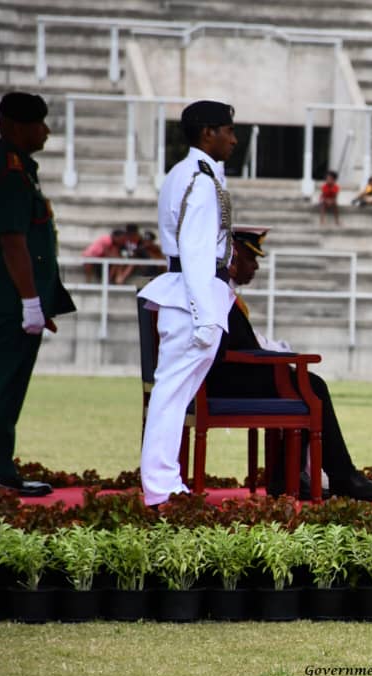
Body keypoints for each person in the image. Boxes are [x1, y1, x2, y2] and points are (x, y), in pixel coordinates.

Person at [206, 227, 372, 502]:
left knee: (303, 384)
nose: (255, 266)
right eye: (250, 258)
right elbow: (241, 351)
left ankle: (290, 477)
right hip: (227, 381)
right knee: (311, 387)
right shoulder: (219, 294)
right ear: (231, 260)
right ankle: (339, 477)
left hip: (227, 376)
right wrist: (282, 361)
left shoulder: (214, 290)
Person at [0, 91, 76, 497]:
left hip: (13, 297)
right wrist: (30, 301)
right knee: (2, 384)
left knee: (8, 385)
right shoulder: (10, 173)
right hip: (10, 298)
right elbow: (13, 242)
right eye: (38, 124)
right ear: (14, 127)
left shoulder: (18, 170)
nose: (45, 131)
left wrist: (39, 301)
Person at [138, 99, 238, 507]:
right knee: (171, 396)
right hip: (190, 297)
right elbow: (196, 253)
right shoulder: (200, 179)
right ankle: (160, 487)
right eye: (228, 130)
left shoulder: (186, 172)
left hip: (186, 292)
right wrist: (205, 317)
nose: (233, 139)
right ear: (207, 133)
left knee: (173, 397)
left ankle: (165, 483)